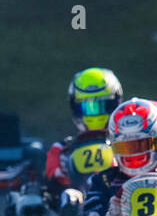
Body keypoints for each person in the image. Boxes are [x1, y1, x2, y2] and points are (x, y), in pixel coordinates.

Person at [45, 68, 123, 196]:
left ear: (115, 103)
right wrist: (66, 173)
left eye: (102, 106)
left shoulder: (126, 146)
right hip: (75, 209)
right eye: (86, 108)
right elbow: (51, 185)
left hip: (118, 205)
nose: (94, 115)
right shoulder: (62, 151)